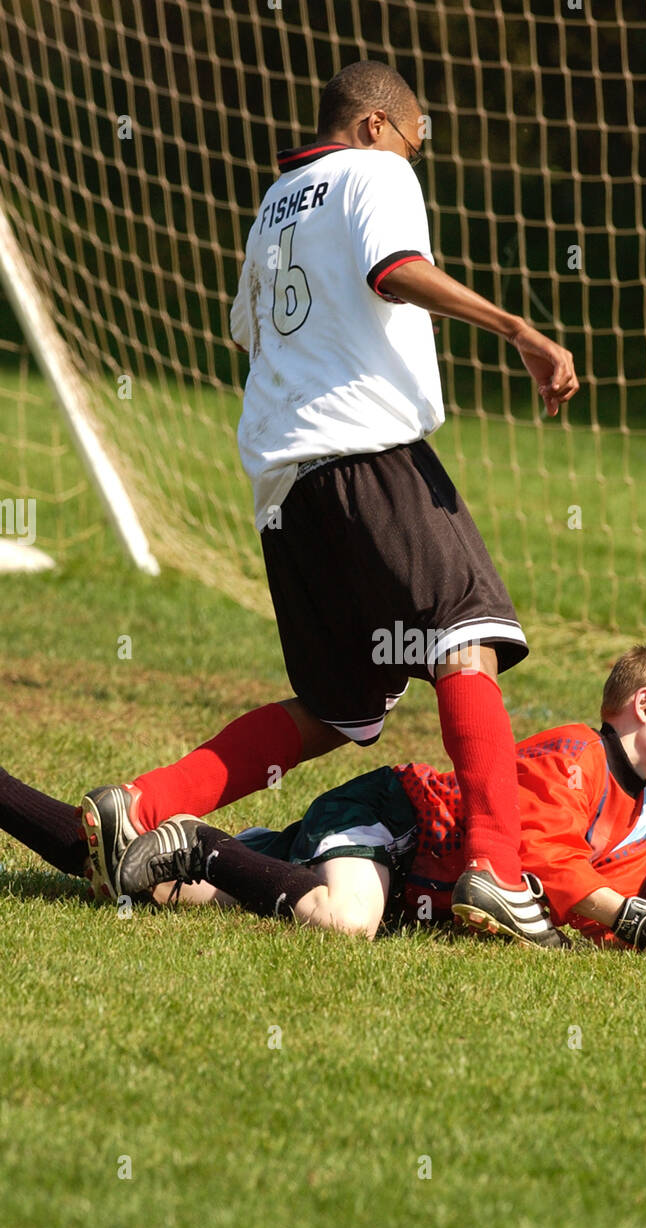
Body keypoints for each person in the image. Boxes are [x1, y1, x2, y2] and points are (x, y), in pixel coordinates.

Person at [79, 60, 579, 944]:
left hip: (285, 485)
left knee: (340, 704)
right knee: (467, 641)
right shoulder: (373, 171)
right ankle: (495, 869)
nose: (417, 161)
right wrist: (521, 332)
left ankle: (140, 804)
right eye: (417, 142)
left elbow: (247, 328)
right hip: (367, 459)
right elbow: (394, 271)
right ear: (377, 124)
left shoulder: (277, 202)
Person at [5, 646, 646, 955]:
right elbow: (552, 871)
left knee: (126, 874)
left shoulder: (642, 815)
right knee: (343, 921)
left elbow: (596, 912)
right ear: (645, 704)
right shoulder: (576, 758)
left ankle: (188, 850)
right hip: (395, 818)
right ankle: (201, 841)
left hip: (405, 875)